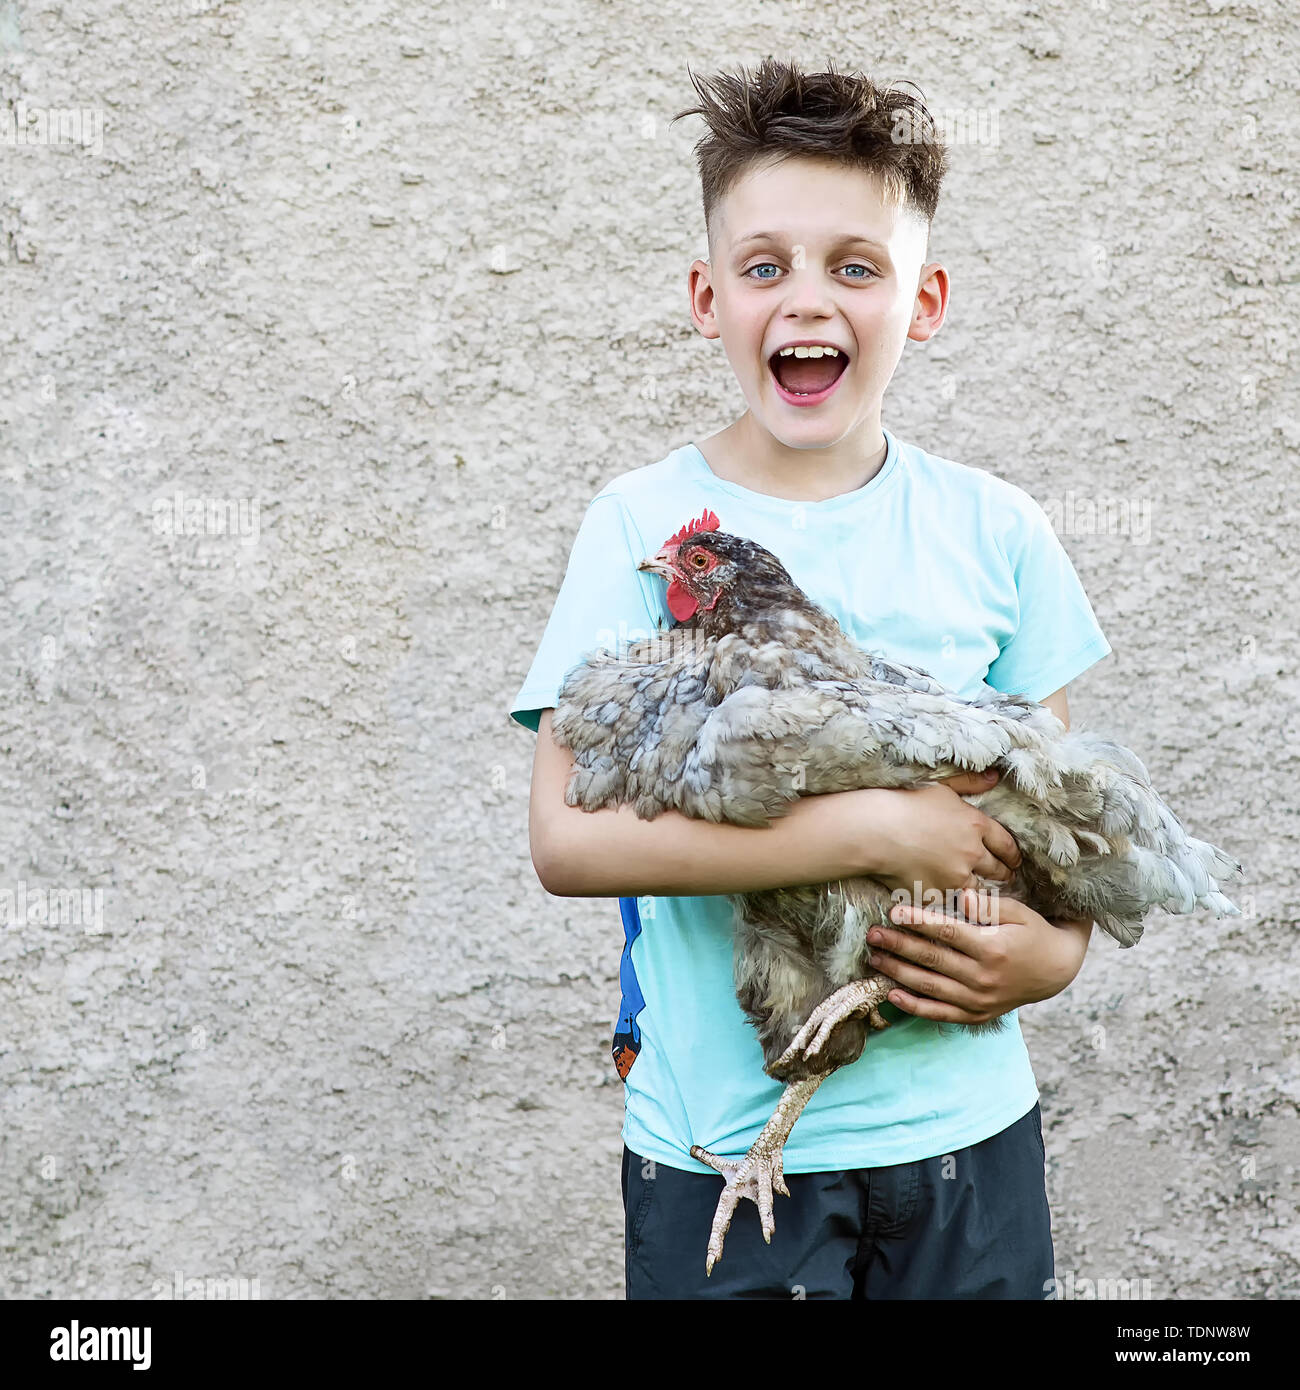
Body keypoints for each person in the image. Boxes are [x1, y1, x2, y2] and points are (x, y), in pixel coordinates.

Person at [508, 57, 1110, 1299]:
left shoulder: (995, 530)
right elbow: (568, 845)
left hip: (964, 1137)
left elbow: (1062, 831)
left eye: (855, 265)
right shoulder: (645, 524)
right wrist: (882, 822)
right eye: (764, 265)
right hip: (720, 1144)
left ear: (923, 299)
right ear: (705, 295)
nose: (806, 301)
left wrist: (1056, 959)